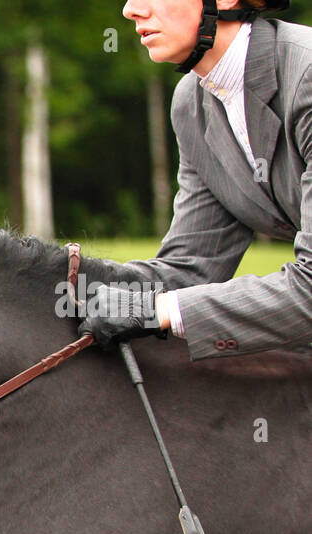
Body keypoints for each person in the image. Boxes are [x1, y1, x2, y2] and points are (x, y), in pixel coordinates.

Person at [78, 0, 312, 360]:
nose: (130, 10)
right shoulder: (190, 101)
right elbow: (192, 267)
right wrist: (58, 279)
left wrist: (162, 311)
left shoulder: (307, 72)